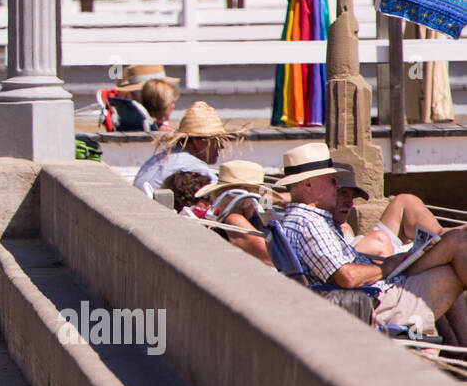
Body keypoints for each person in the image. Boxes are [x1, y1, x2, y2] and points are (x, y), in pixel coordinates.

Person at [275, 142, 467, 337]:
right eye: (332, 180)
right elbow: (347, 276)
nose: (338, 185)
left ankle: (459, 347)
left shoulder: (300, 219)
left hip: (372, 294)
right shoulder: (309, 222)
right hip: (377, 303)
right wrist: (385, 267)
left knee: (456, 244)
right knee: (459, 244)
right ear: (308, 184)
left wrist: (390, 263)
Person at [330, 163, 444, 257]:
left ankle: (443, 234)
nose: (350, 203)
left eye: (352, 196)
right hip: (372, 258)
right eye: (343, 193)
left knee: (404, 200)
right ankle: (446, 240)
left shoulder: (341, 225)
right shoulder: (316, 225)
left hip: (380, 249)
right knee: (379, 240)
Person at [132, 101, 236, 195]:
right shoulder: (196, 169)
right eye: (216, 141)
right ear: (197, 141)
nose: (221, 147)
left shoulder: (155, 160)